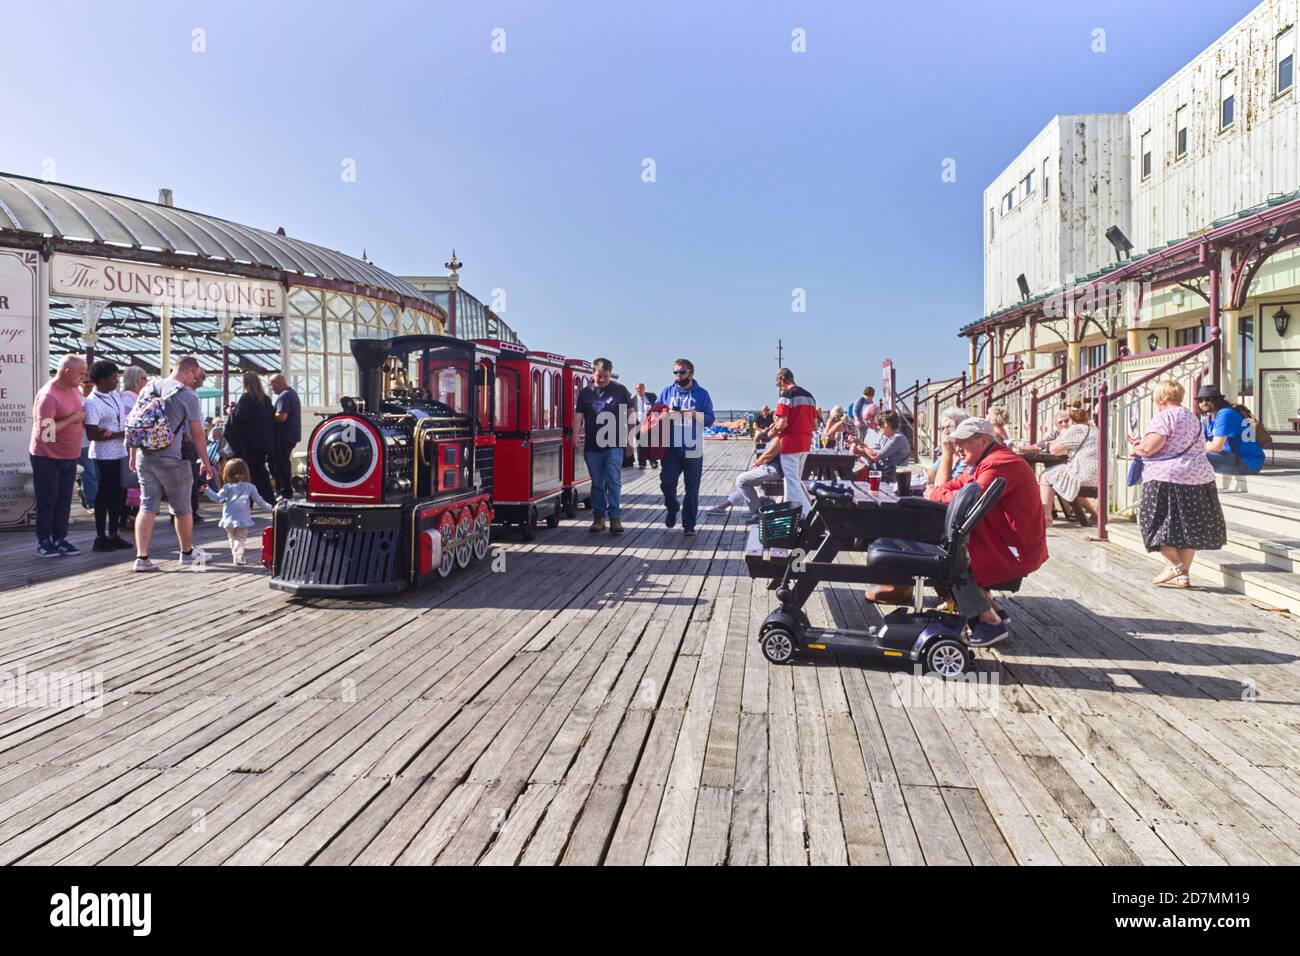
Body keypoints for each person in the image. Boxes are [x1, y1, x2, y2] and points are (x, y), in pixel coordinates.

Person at [925, 417, 1048, 647]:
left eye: (963, 442)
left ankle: (989, 621)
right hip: (1005, 539)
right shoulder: (986, 461)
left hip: (1014, 549)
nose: (958, 448)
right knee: (954, 539)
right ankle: (992, 608)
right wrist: (940, 491)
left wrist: (933, 494)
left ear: (983, 439)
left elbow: (966, 501)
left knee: (949, 556)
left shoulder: (998, 463)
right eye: (955, 443)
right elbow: (957, 485)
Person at [1130, 379, 1225, 588]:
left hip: (1167, 477)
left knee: (1155, 522)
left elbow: (1150, 448)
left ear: (1161, 397)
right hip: (1199, 477)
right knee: (1188, 527)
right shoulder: (1192, 418)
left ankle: (1173, 565)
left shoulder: (1163, 417)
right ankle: (1184, 576)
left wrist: (1136, 448)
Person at [129, 355, 214, 571]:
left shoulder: (149, 387)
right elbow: (197, 434)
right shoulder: (188, 395)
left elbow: (135, 423)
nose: (196, 379)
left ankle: (142, 558)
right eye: (195, 374)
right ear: (188, 371)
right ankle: (187, 553)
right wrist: (206, 461)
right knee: (182, 508)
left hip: (144, 456)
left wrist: (132, 454)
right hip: (172, 458)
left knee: (147, 505)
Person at [29, 356, 88, 557]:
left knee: (64, 499)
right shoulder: (49, 396)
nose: (84, 376)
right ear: (67, 372)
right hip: (47, 456)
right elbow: (46, 433)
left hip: (69, 455)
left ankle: (60, 539)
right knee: (48, 499)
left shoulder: (75, 390)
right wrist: (72, 419)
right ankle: (44, 541)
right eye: (81, 373)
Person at [658, 358, 715, 536]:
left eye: (682, 372)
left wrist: (691, 414)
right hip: (671, 448)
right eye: (675, 372)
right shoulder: (667, 392)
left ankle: (689, 525)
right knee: (667, 483)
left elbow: (710, 420)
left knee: (692, 489)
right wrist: (665, 414)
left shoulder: (702, 394)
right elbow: (654, 412)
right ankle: (672, 506)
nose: (678, 375)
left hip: (693, 448)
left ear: (691, 373)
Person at [576, 358, 633, 534]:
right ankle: (599, 517)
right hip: (593, 445)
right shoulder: (585, 393)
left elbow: (630, 415)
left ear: (611, 374)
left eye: (606, 377)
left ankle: (615, 517)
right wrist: (575, 433)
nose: (602, 380)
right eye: (599, 376)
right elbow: (578, 415)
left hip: (614, 443)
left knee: (613, 479)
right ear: (592, 373)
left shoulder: (620, 390)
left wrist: (631, 441)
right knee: (597, 482)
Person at [82, 360, 133, 553]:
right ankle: (100, 536)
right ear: (102, 380)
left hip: (120, 451)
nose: (116, 380)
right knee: (105, 493)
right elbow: (92, 434)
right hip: (104, 454)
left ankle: (113, 534)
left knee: (117, 493)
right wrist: (121, 434)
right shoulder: (92, 402)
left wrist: (116, 433)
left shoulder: (113, 395)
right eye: (113, 377)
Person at [200, 458, 273, 565]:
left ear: (227, 473)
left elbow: (217, 498)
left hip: (228, 518)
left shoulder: (226, 488)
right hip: (242, 518)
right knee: (241, 537)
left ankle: (236, 555)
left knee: (232, 537)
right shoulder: (250, 487)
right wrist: (271, 508)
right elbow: (260, 501)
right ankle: (238, 555)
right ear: (246, 473)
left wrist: (207, 491)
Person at [1038, 403, 1098, 523]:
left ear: (1072, 420)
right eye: (1061, 422)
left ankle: (1046, 517)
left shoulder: (1075, 430)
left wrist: (1061, 436)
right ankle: (1092, 514)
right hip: (1101, 476)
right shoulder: (1095, 429)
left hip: (1084, 474)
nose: (1065, 424)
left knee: (1046, 475)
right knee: (1061, 476)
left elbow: (1054, 450)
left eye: (1067, 420)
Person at [766, 368, 816, 513]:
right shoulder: (809, 397)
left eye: (778, 384)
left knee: (792, 482)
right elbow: (815, 425)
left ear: (782, 379)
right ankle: (794, 513)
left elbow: (782, 424)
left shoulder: (786, 396)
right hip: (805, 443)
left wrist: (771, 432)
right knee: (795, 481)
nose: (779, 387)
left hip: (790, 444)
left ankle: (806, 516)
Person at [226, 372, 276, 504]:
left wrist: (231, 413)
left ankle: (247, 500)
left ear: (245, 384)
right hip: (262, 443)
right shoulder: (266, 399)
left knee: (248, 472)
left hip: (247, 444)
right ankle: (269, 499)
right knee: (260, 471)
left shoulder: (246, 398)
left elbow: (237, 420)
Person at [707, 438, 782, 522]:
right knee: (747, 479)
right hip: (776, 468)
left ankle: (756, 511)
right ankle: (727, 505)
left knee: (743, 480)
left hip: (776, 469)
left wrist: (757, 463)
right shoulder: (784, 434)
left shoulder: (782, 435)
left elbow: (770, 454)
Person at [1196, 384, 1264, 476]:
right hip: (1230, 457)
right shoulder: (1208, 419)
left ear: (1218, 400)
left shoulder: (1225, 414)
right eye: (1200, 400)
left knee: (1195, 457)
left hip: (1246, 462)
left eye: (1208, 399)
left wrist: (1199, 447)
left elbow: (1216, 447)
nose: (1203, 402)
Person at [851, 409, 910, 482]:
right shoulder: (886, 437)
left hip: (894, 479)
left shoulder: (898, 439)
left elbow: (875, 456)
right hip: (885, 475)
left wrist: (862, 444)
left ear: (888, 424)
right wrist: (861, 453)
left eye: (880, 425)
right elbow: (876, 458)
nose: (878, 427)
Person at [269, 373, 302, 498]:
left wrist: (267, 416)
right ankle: (285, 490)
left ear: (277, 383)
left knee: (280, 464)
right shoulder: (291, 394)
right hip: (290, 436)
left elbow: (282, 416)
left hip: (284, 437)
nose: (271, 388)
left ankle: (284, 491)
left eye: (271, 385)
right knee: (283, 463)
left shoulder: (284, 396)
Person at [926, 407, 970, 486]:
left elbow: (942, 488)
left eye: (949, 428)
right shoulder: (950, 451)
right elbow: (930, 475)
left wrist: (947, 453)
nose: (944, 433)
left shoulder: (966, 455)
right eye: (943, 428)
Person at [75, 374, 99, 511]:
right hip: (80, 442)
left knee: (91, 473)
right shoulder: (77, 400)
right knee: (89, 473)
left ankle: (90, 497)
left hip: (91, 442)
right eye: (85, 382)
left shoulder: (95, 399)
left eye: (91, 382)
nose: (88, 384)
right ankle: (92, 502)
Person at [632, 382, 656, 469]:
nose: (639, 390)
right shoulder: (632, 400)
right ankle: (642, 462)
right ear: (636, 390)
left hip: (651, 424)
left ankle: (653, 461)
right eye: (638, 389)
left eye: (641, 388)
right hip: (638, 424)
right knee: (640, 444)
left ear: (644, 389)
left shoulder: (652, 396)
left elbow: (657, 407)